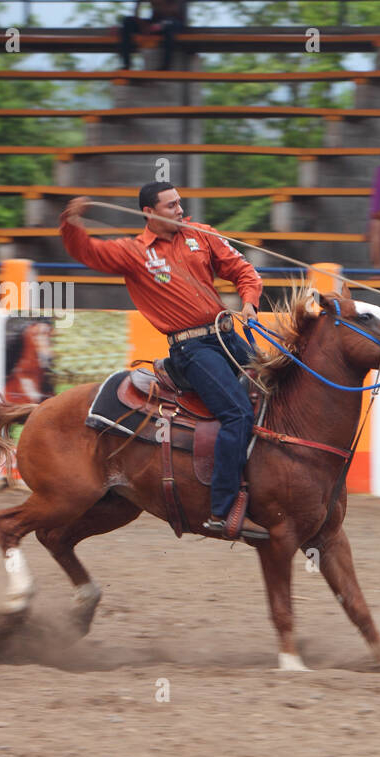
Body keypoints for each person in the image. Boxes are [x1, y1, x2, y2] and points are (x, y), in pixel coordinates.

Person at [59, 183, 269, 540]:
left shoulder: (201, 235)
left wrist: (249, 301)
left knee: (277, 390)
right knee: (236, 412)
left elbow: (243, 270)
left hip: (226, 334)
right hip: (192, 350)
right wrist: (71, 224)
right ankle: (223, 509)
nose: (179, 210)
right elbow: (90, 253)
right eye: (171, 206)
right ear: (149, 212)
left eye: (179, 203)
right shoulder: (133, 252)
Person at [120, 0, 187, 72]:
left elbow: (174, 11)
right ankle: (126, 65)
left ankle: (166, 66)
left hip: (173, 23)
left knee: (168, 24)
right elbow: (136, 12)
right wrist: (143, 26)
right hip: (154, 23)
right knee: (127, 21)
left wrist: (159, 24)